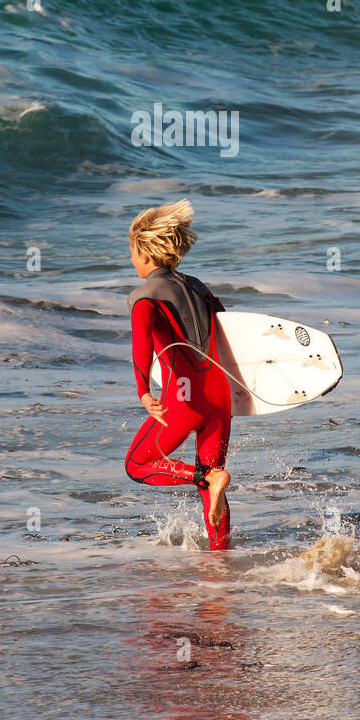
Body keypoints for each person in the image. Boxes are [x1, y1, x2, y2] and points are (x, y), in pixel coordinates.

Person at [124, 199, 232, 550]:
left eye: (132, 253)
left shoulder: (144, 296)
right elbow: (230, 332)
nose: (130, 260)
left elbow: (142, 346)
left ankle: (208, 477)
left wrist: (143, 392)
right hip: (220, 399)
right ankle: (221, 561)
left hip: (183, 400)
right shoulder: (199, 287)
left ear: (146, 254)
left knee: (137, 464)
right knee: (210, 493)